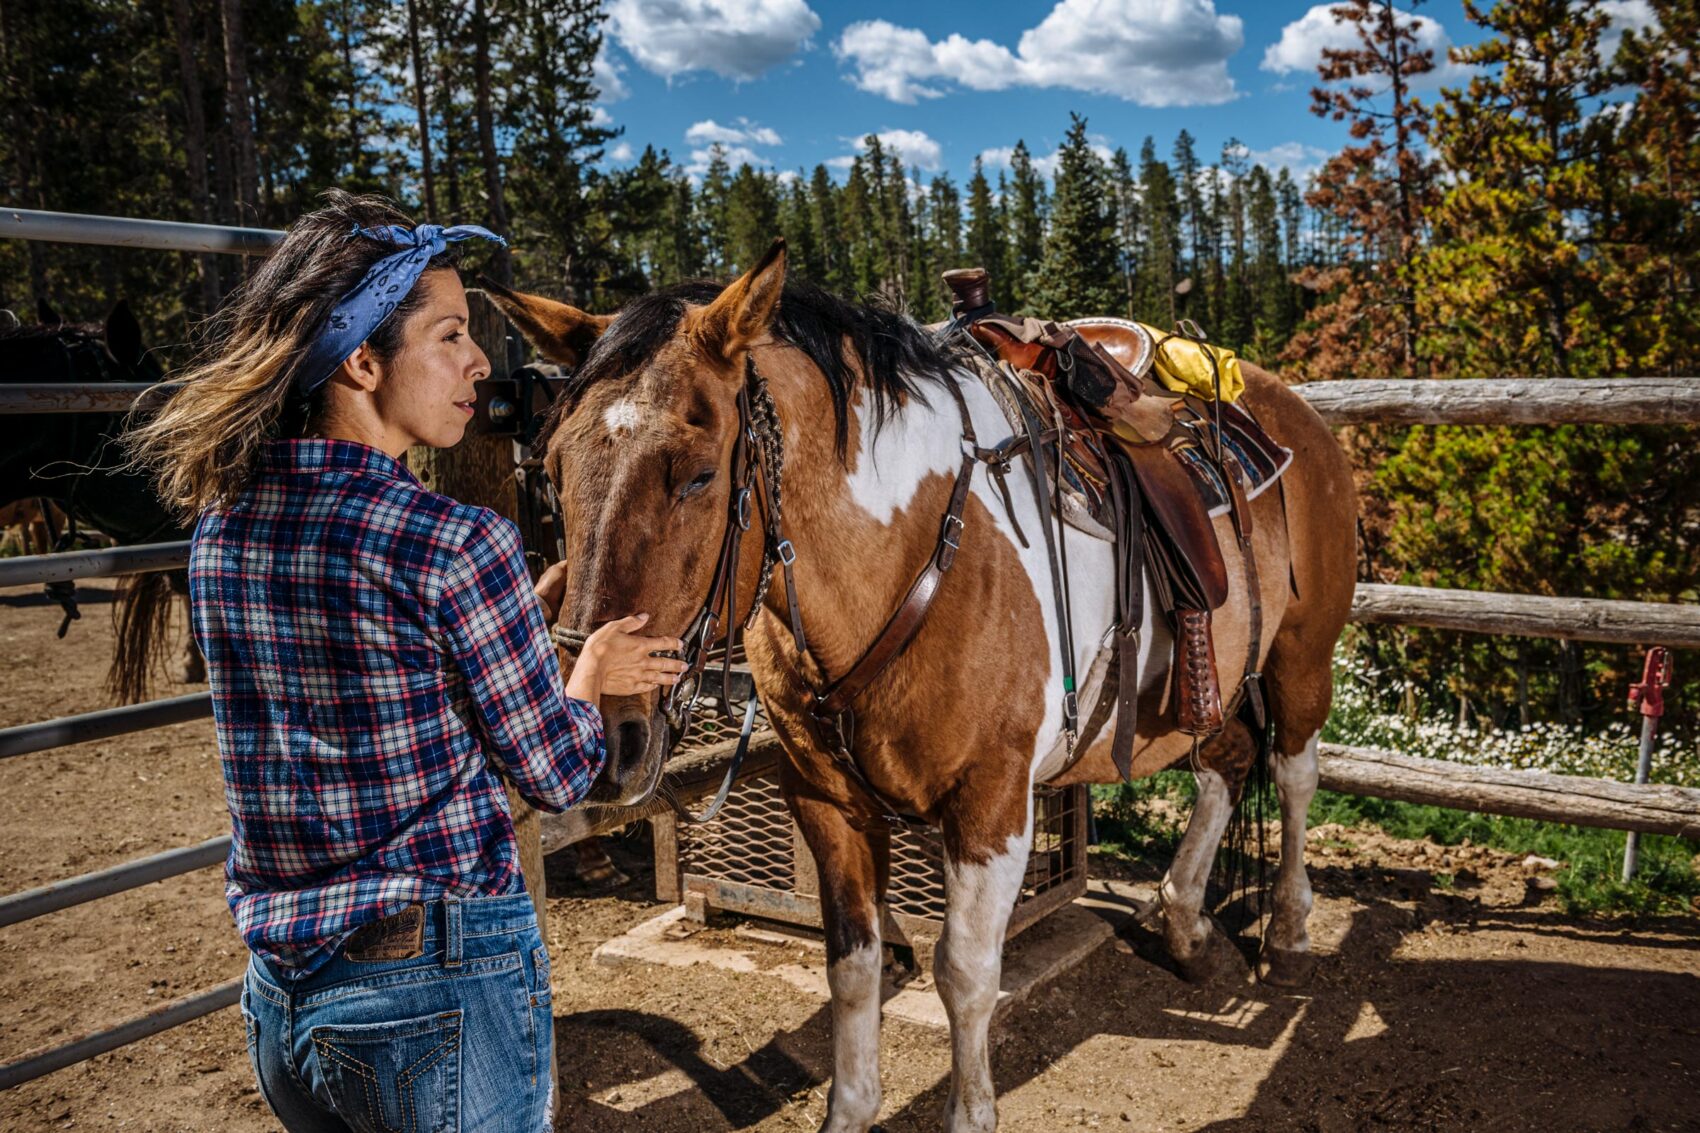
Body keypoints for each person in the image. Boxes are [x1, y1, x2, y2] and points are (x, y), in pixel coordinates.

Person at [124, 190, 685, 1131]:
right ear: (361, 359)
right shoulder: (455, 544)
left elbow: (364, 693)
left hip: (284, 995)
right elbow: (554, 774)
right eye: (450, 334)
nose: (479, 361)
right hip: (434, 985)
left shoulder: (219, 529)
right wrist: (588, 670)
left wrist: (501, 627)